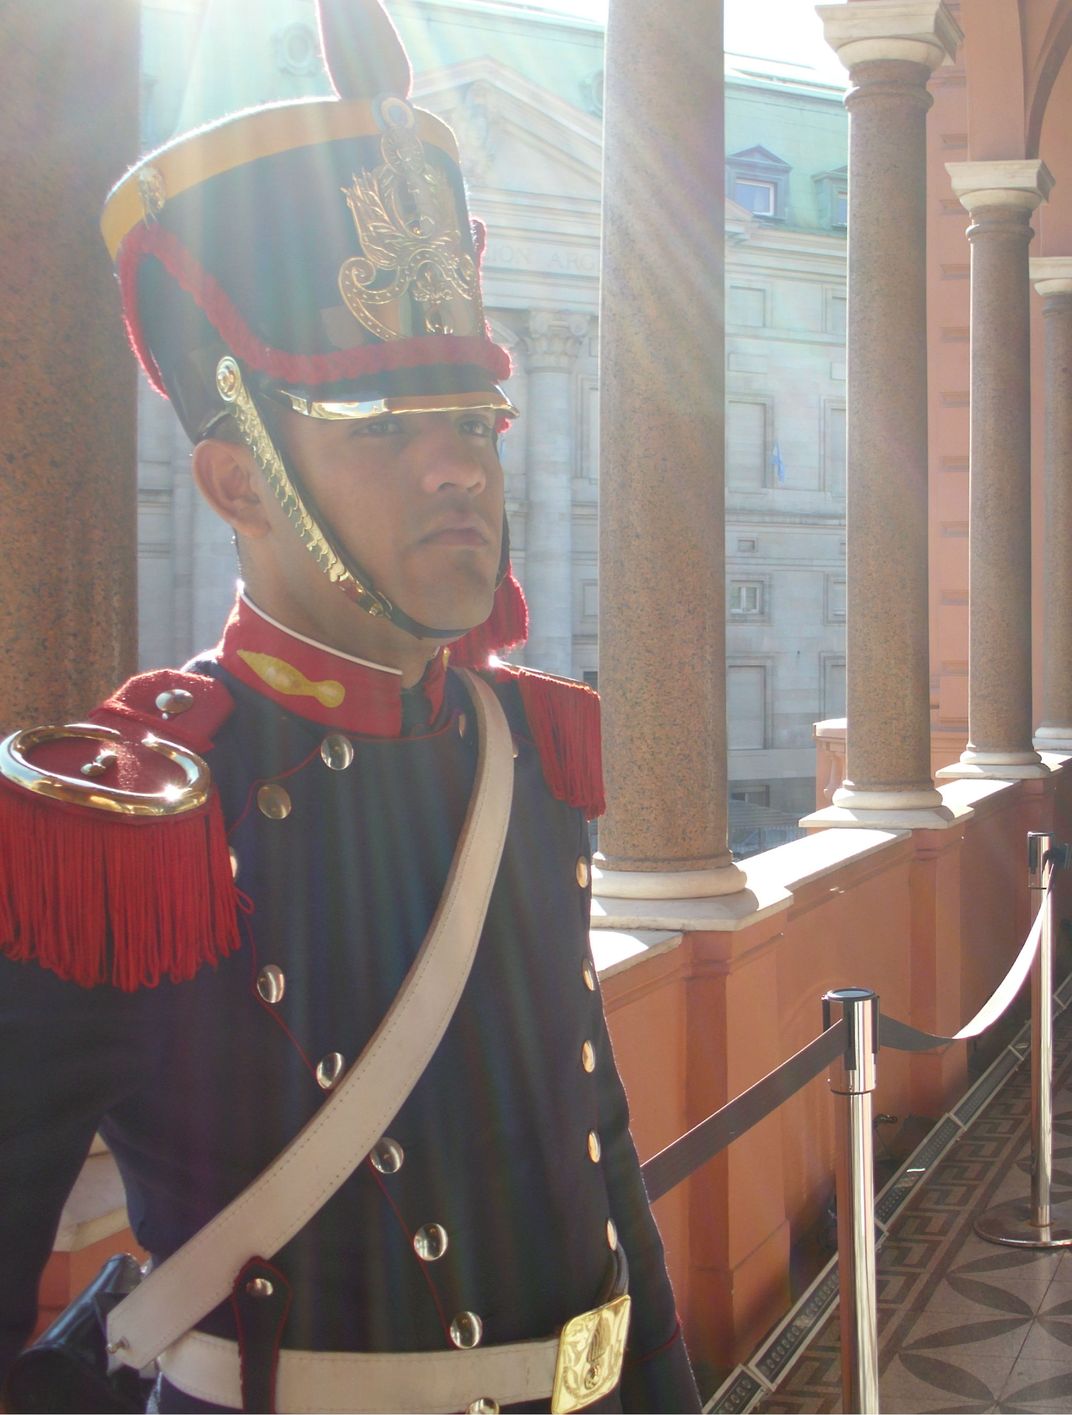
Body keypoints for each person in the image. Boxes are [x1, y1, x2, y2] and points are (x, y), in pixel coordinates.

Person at [0, 2, 701, 1411]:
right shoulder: (124, 838)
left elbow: (597, 1153)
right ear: (237, 485)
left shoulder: (528, 751)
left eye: (475, 423)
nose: (460, 470)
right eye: (388, 427)